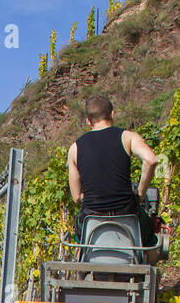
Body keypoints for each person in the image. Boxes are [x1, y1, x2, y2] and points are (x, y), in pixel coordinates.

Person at [68, 95, 161, 262]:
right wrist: (140, 193)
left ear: (88, 121)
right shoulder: (127, 137)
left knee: (79, 239)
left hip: (91, 217)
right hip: (127, 213)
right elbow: (151, 160)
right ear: (112, 114)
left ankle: (81, 272)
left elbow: (76, 197)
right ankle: (152, 280)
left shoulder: (75, 148)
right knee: (151, 238)